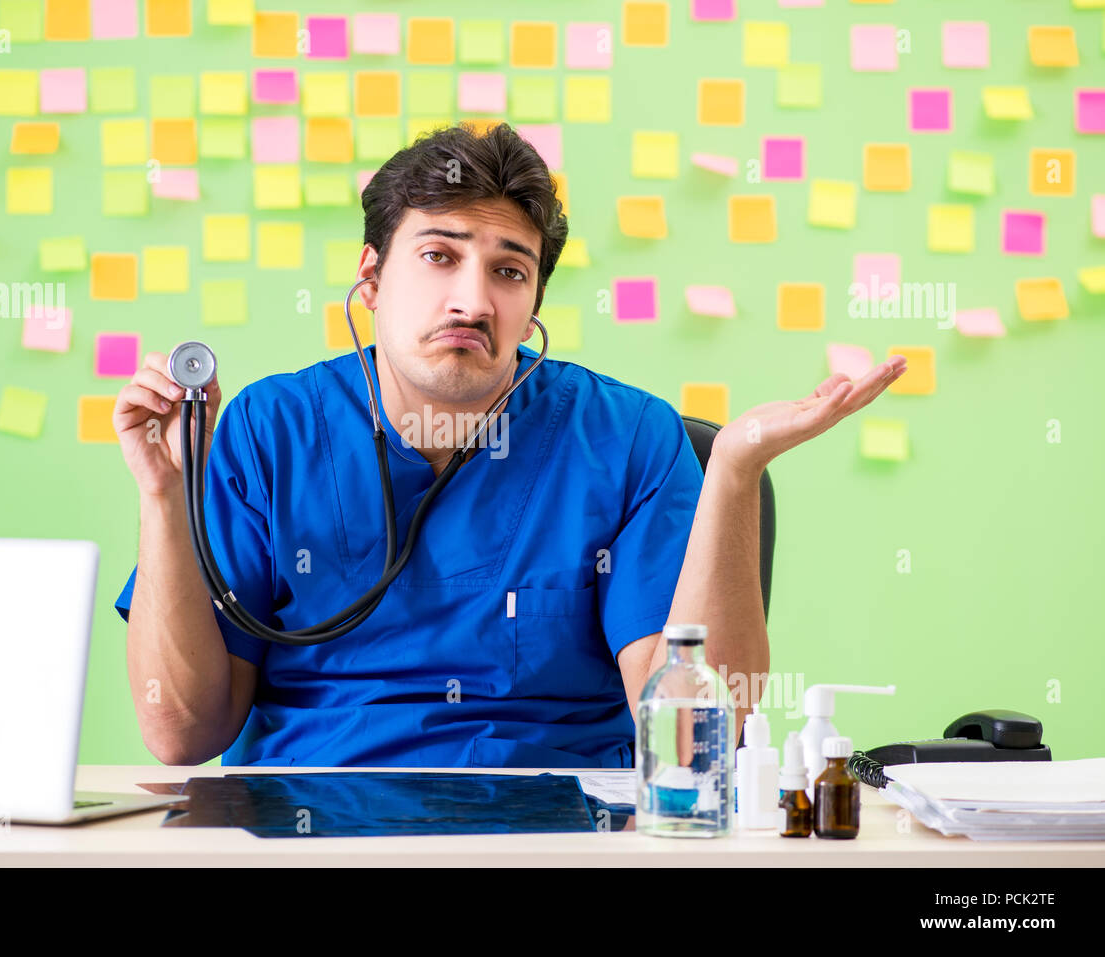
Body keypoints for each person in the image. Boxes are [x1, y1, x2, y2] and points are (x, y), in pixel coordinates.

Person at [112, 122, 906, 768]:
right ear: (372, 275)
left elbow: (699, 744)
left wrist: (733, 467)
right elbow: (180, 734)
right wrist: (161, 498)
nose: (471, 298)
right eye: (438, 255)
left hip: (556, 833)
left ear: (532, 306)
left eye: (508, 270)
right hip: (308, 826)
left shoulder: (627, 439)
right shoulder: (266, 431)